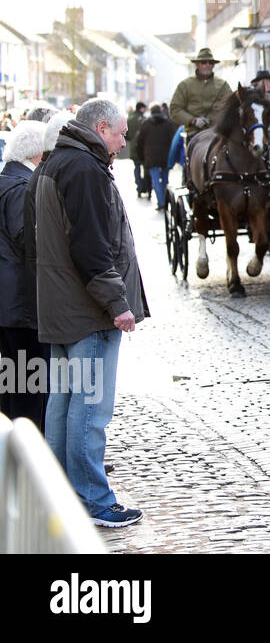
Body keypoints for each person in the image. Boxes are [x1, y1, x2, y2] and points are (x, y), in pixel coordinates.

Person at [33, 100, 148, 527]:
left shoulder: (55, 163)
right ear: (101, 127)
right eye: (120, 133)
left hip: (63, 308)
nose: (123, 140)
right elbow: (91, 247)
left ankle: (63, 493)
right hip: (88, 312)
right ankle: (93, 501)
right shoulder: (83, 169)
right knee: (89, 408)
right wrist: (118, 304)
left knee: (63, 405)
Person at [1, 121, 48, 430]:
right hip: (21, 304)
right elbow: (25, 239)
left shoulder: (6, 180)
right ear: (37, 154)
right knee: (27, 390)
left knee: (11, 387)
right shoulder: (21, 187)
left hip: (10, 304)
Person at [170, 47, 233, 137]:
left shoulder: (223, 85)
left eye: (210, 63)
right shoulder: (185, 85)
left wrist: (217, 120)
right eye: (203, 62)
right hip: (193, 133)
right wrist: (193, 120)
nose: (207, 65)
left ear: (213, 65)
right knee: (174, 150)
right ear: (197, 64)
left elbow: (230, 106)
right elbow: (174, 109)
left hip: (218, 132)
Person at [133, 104, 178, 210]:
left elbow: (139, 142)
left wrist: (141, 157)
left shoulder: (146, 124)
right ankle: (164, 200)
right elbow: (174, 140)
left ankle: (161, 202)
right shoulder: (168, 123)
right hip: (166, 156)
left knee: (155, 180)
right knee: (165, 179)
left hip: (151, 157)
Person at [126, 102, 147, 195]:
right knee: (145, 168)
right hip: (144, 148)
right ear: (141, 108)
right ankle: (146, 186)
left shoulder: (130, 119)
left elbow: (126, 135)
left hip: (134, 147)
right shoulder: (145, 120)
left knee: (137, 168)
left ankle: (139, 186)